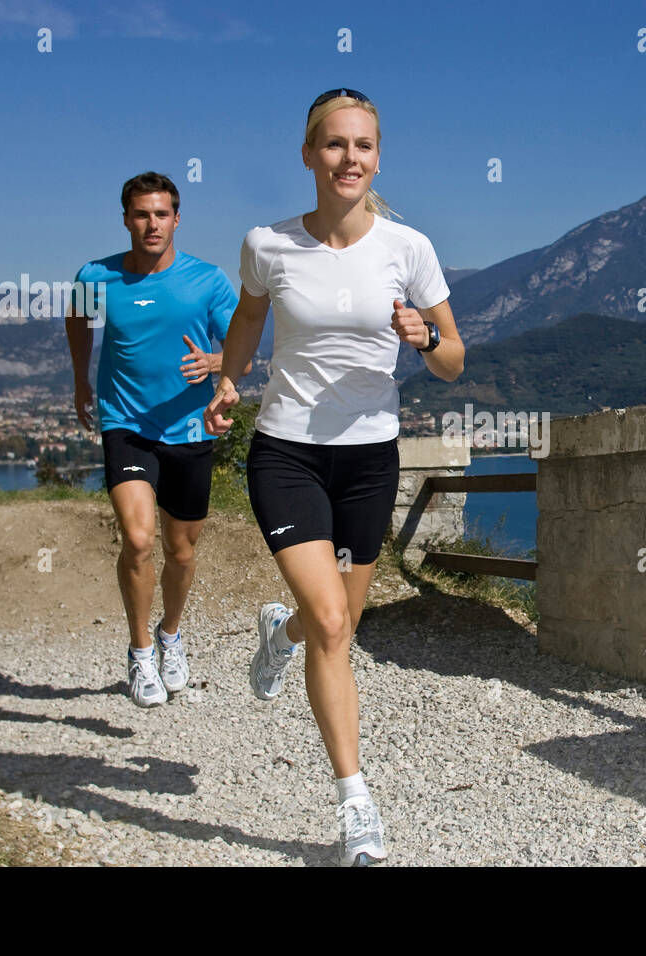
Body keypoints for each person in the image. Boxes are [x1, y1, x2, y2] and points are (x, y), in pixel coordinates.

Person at [205, 89, 464, 866]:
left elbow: (455, 360)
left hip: (368, 461)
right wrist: (227, 378)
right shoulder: (269, 245)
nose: (349, 159)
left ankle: (275, 637)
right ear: (310, 154)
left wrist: (424, 338)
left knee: (335, 624)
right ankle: (357, 803)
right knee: (330, 621)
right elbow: (250, 318)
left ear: (377, 157)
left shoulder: (409, 248)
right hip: (287, 453)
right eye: (334, 144)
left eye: (363, 145)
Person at [66, 171, 249, 708]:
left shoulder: (207, 280)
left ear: (176, 219)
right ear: (126, 219)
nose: (152, 223)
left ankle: (170, 633)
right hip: (126, 425)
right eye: (141, 214)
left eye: (161, 214)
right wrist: (81, 377)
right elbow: (77, 321)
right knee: (139, 537)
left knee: (182, 551)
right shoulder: (95, 277)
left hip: (189, 431)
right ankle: (141, 650)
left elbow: (241, 343)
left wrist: (219, 365)